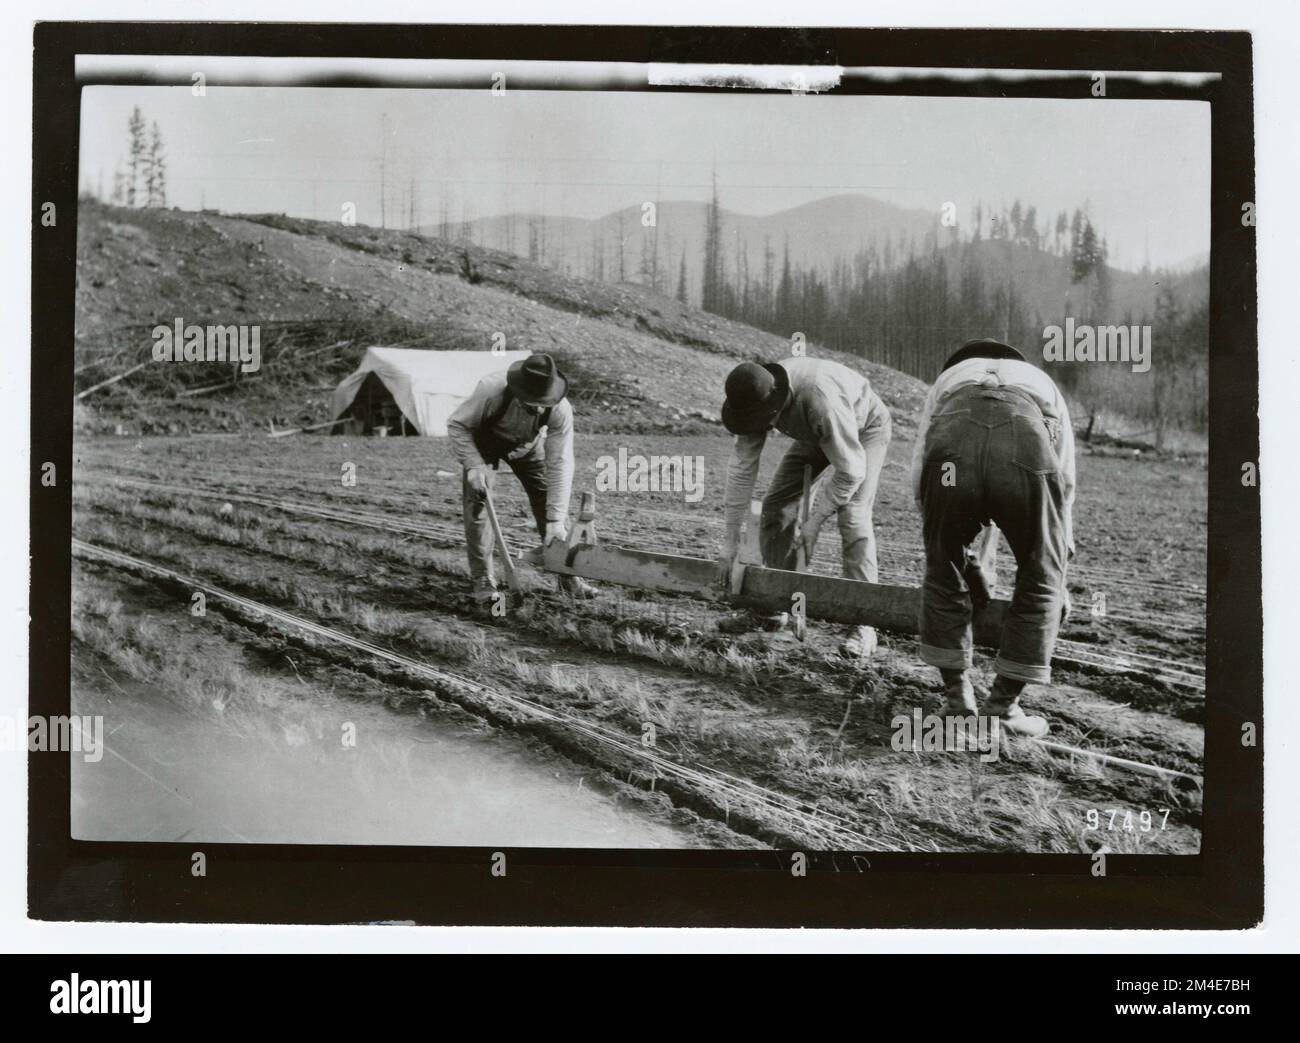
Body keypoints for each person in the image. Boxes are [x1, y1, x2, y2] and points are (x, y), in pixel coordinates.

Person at [912, 338, 1076, 736]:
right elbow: (1065, 482)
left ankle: (957, 701)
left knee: (942, 565)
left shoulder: (948, 381)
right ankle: (1002, 707)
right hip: (1025, 446)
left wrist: (952, 552)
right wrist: (1058, 571)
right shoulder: (1039, 380)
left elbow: (919, 472)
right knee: (1040, 575)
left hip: (953, 449)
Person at [717, 356, 893, 658]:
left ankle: (865, 625)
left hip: (863, 427)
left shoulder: (819, 401)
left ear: (776, 404)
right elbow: (742, 469)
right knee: (776, 507)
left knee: (852, 515)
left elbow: (850, 471)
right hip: (814, 430)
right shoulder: (754, 394)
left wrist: (813, 523)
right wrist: (730, 541)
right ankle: (775, 606)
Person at [447, 353, 596, 601]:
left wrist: (556, 519)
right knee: (479, 505)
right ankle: (483, 579)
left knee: (548, 499)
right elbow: (457, 425)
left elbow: (560, 462)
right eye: (532, 403)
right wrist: (474, 465)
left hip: (527, 447)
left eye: (544, 404)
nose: (539, 408)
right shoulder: (491, 390)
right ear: (517, 391)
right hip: (485, 446)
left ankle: (567, 577)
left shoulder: (561, 409)